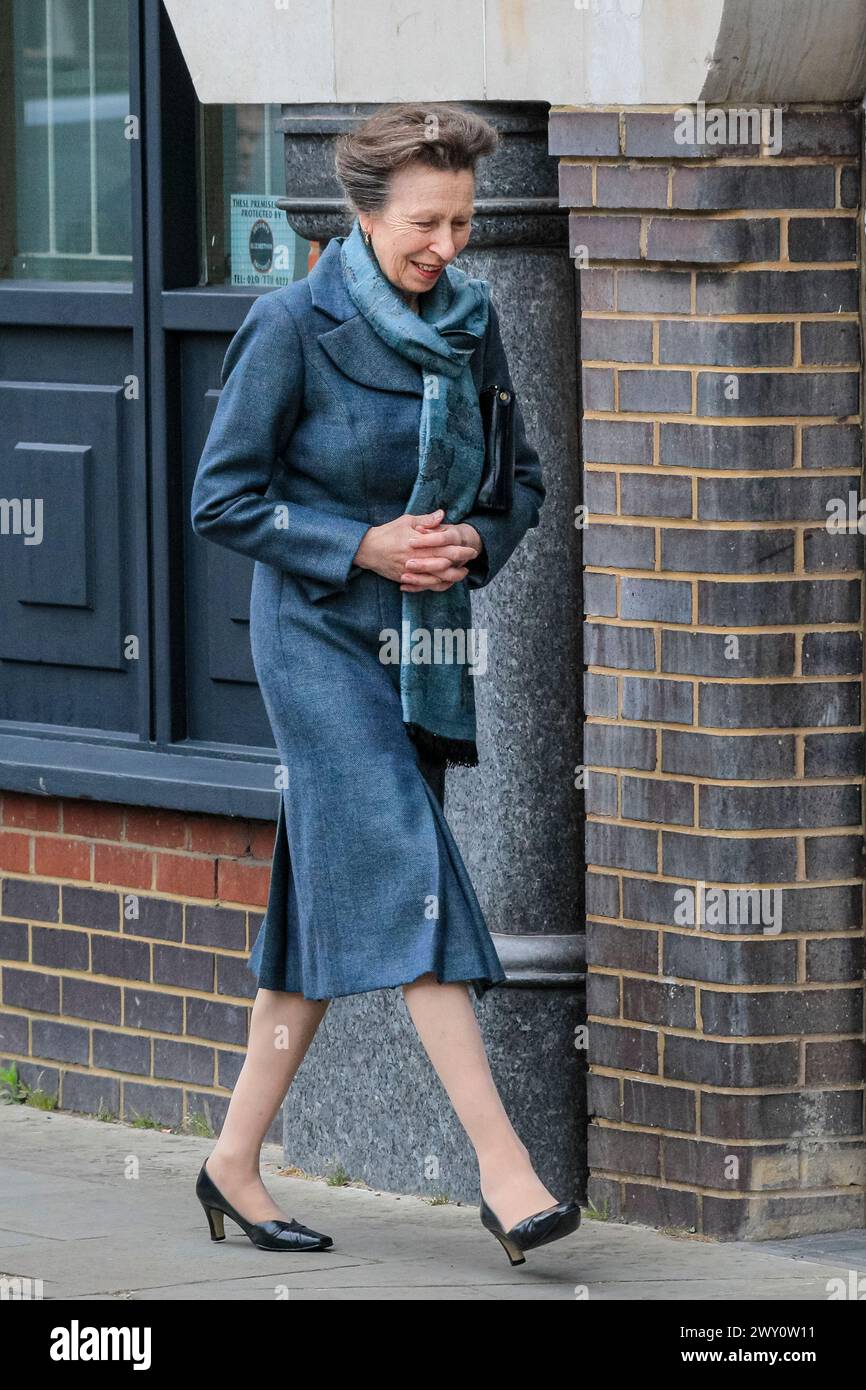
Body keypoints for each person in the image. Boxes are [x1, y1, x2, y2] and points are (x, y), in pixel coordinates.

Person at [189, 101, 579, 1266]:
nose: (448, 247)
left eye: (462, 222)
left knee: (318, 913)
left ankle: (230, 1162)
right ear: (363, 216)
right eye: (426, 223)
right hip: (314, 644)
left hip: (422, 644)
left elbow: (519, 481)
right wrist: (361, 546)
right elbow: (223, 500)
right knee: (410, 868)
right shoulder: (288, 326)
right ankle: (504, 1171)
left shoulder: (470, 321)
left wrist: (466, 542)